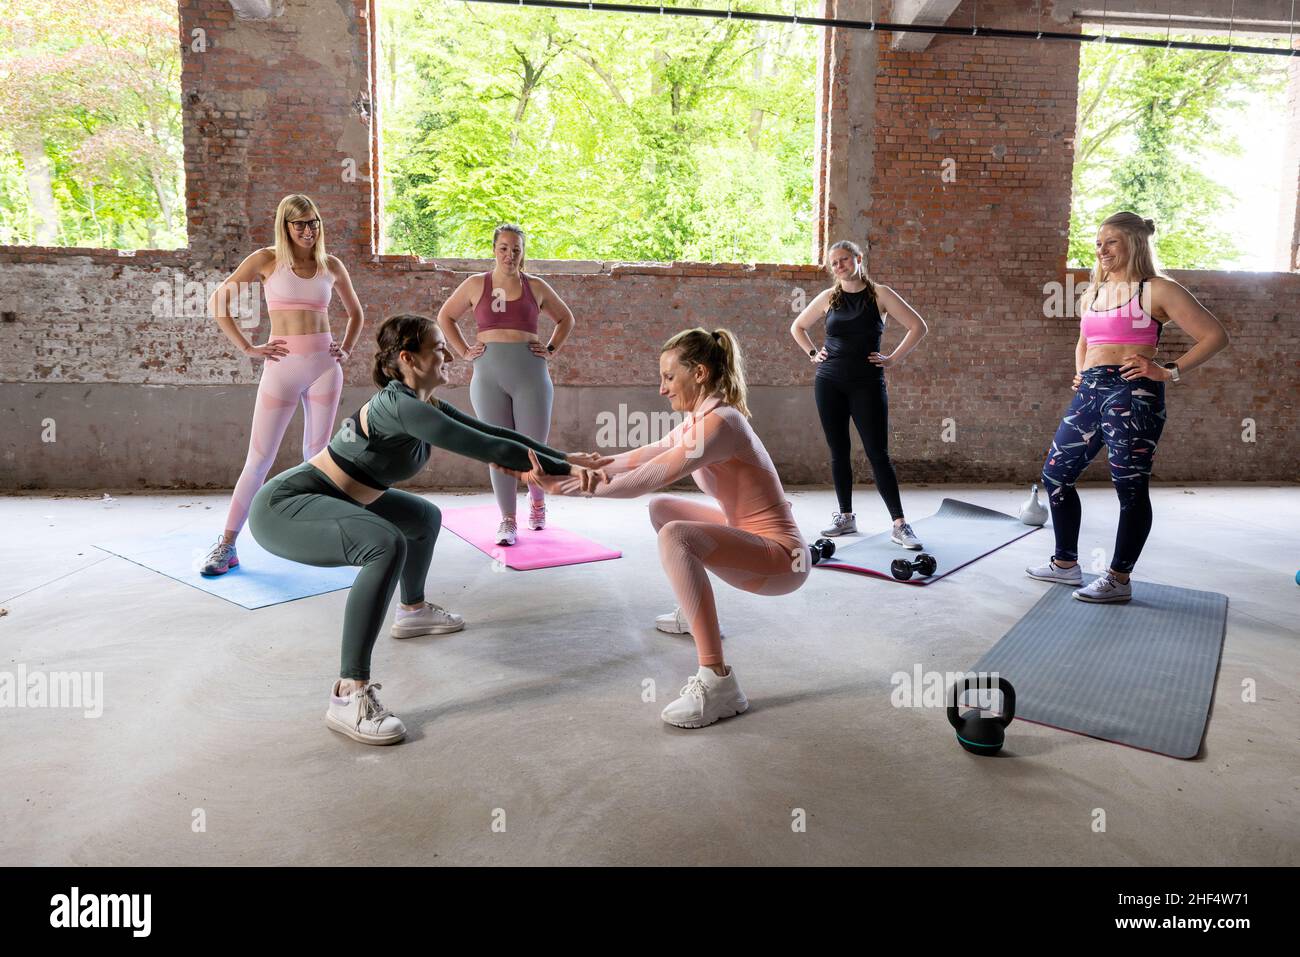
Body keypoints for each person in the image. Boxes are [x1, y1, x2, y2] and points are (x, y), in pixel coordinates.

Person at [248, 314, 608, 745]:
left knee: (423, 518)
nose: (449, 354)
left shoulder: (422, 403)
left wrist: (565, 457)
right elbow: (491, 448)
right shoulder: (401, 408)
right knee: (384, 544)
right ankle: (349, 693)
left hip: (341, 497)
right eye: (438, 347)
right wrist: (567, 468)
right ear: (407, 359)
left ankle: (413, 612)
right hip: (286, 506)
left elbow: (492, 431)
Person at [501, 328, 807, 729]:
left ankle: (717, 682)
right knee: (664, 509)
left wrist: (565, 487)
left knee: (676, 535)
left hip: (781, 561)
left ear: (698, 373)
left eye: (667, 376)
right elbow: (639, 459)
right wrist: (572, 465)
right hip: (750, 541)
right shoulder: (704, 417)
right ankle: (693, 610)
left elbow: (642, 481)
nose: (661, 389)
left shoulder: (720, 425)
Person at [1029, 211, 1229, 603]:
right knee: (1055, 474)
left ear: (1134, 244)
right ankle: (1065, 564)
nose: (1101, 249)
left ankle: (1119, 578)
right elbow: (1085, 341)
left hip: (1133, 393)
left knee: (1130, 487)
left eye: (1111, 242)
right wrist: (1080, 372)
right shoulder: (1095, 291)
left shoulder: (1157, 290)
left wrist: (1168, 371)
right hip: (1090, 391)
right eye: (1099, 242)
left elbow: (1215, 336)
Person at [201, 194, 364, 576]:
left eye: (313, 223)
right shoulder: (265, 260)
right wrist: (246, 346)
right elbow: (217, 302)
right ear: (286, 226)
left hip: (326, 367)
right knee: (259, 459)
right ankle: (226, 544)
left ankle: (323, 538)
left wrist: (348, 347)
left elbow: (356, 313)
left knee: (318, 454)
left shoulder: (331, 265)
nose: (308, 230)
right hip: (281, 367)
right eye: (300, 224)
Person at [436, 224, 576, 546]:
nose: (510, 255)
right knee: (498, 450)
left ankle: (537, 501)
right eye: (504, 248)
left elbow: (565, 318)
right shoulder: (475, 284)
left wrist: (551, 349)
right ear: (494, 249)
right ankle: (508, 521)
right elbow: (446, 317)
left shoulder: (536, 286)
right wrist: (463, 351)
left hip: (531, 374)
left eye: (516, 249)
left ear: (523, 252)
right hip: (488, 376)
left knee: (533, 448)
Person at [789, 239, 929, 548]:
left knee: (878, 454)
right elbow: (798, 327)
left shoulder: (880, 295)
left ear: (858, 259)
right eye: (834, 262)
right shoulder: (828, 298)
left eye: (844, 259)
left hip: (866, 383)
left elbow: (918, 327)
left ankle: (900, 524)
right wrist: (813, 353)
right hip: (829, 383)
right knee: (839, 452)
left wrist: (891, 359)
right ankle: (846, 517)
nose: (839, 266)